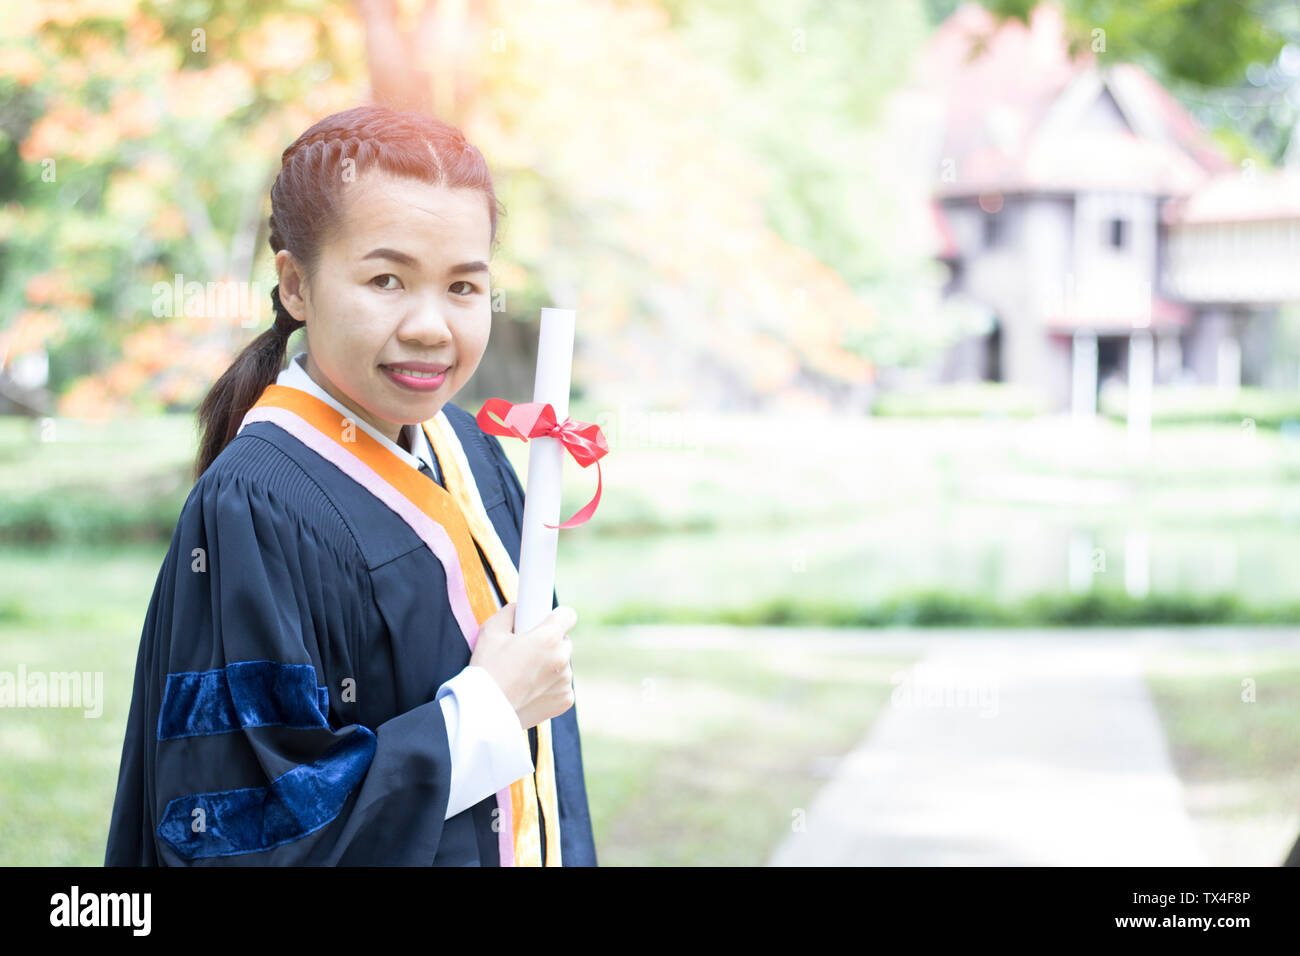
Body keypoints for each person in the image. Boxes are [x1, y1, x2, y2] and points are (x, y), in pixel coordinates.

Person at [104, 104, 597, 866]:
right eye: (387, 279)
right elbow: (248, 830)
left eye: (464, 287)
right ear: (295, 286)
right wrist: (487, 712)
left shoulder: (470, 451)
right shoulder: (254, 507)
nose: (432, 325)